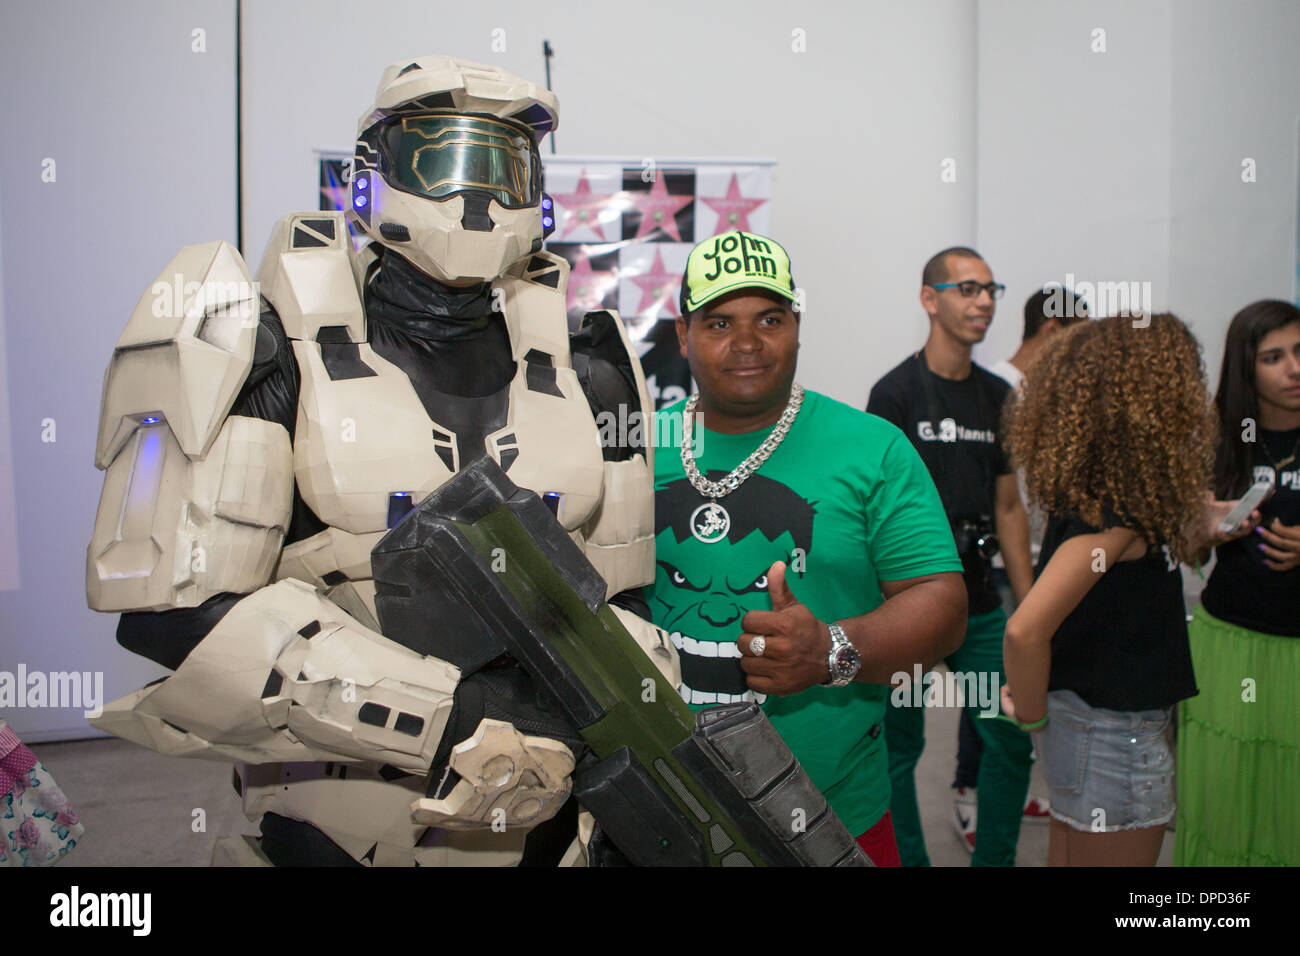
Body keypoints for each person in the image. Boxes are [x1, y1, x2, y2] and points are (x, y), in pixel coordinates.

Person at [85, 55, 678, 866]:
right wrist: (459, 713)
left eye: (504, 162)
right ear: (374, 172)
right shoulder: (258, 343)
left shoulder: (589, 366)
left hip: (552, 823)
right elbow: (174, 612)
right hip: (335, 822)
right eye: (441, 154)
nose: (477, 191)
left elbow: (628, 596)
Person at [649, 229, 968, 867]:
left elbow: (944, 605)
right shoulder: (631, 449)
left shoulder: (871, 448)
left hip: (832, 817)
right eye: (719, 322)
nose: (746, 343)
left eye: (770, 318)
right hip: (659, 808)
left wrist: (832, 651)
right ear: (683, 336)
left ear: (797, 326)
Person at [1001, 312, 1259, 867]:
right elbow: (1025, 630)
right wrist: (1028, 714)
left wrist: (1203, 524)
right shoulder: (1116, 517)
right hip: (1115, 735)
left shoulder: (1111, 499)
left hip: (1087, 722)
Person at [866, 246, 1035, 866]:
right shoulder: (894, 394)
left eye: (991, 289)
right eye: (967, 289)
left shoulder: (998, 396)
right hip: (907, 603)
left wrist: (1029, 608)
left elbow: (1010, 508)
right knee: (897, 748)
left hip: (983, 602)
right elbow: (874, 514)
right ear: (929, 299)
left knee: (1009, 738)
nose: (984, 301)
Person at [950, 287, 1089, 850]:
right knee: (988, 683)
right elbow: (1001, 495)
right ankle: (967, 793)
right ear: (1053, 329)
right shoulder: (999, 388)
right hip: (1002, 562)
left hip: (1038, 559)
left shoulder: (1046, 392)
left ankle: (990, 790)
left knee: (1013, 686)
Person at [1176, 299, 1300, 865]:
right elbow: (1185, 550)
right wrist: (1208, 531)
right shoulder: (1218, 439)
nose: (1294, 368)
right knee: (1226, 796)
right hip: (1230, 644)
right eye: (1274, 357)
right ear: (1246, 367)